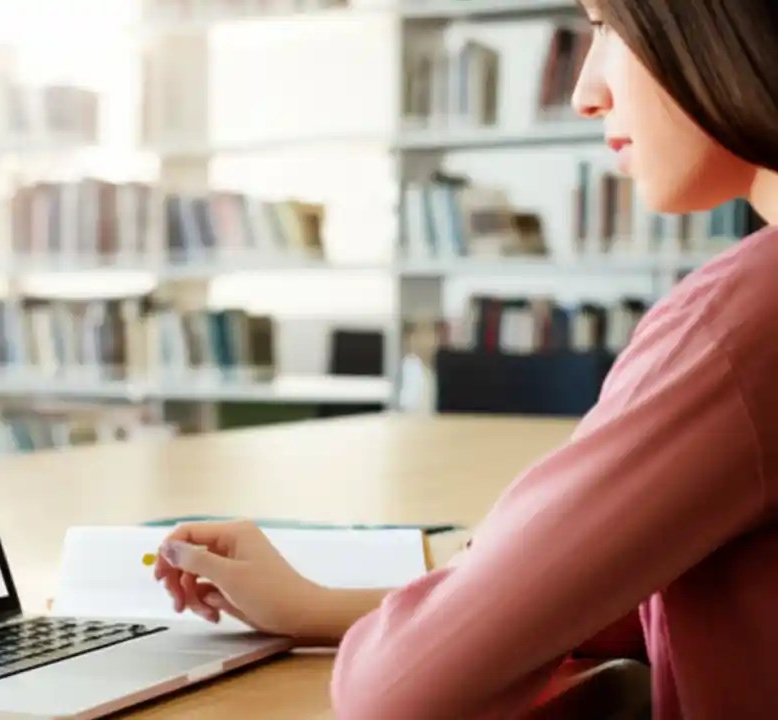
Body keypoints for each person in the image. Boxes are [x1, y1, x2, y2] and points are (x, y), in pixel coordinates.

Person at [152, 1, 778, 717]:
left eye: (608, 27)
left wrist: (423, 626)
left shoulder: (737, 328)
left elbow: (394, 692)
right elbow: (645, 599)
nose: (585, 91)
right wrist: (321, 605)